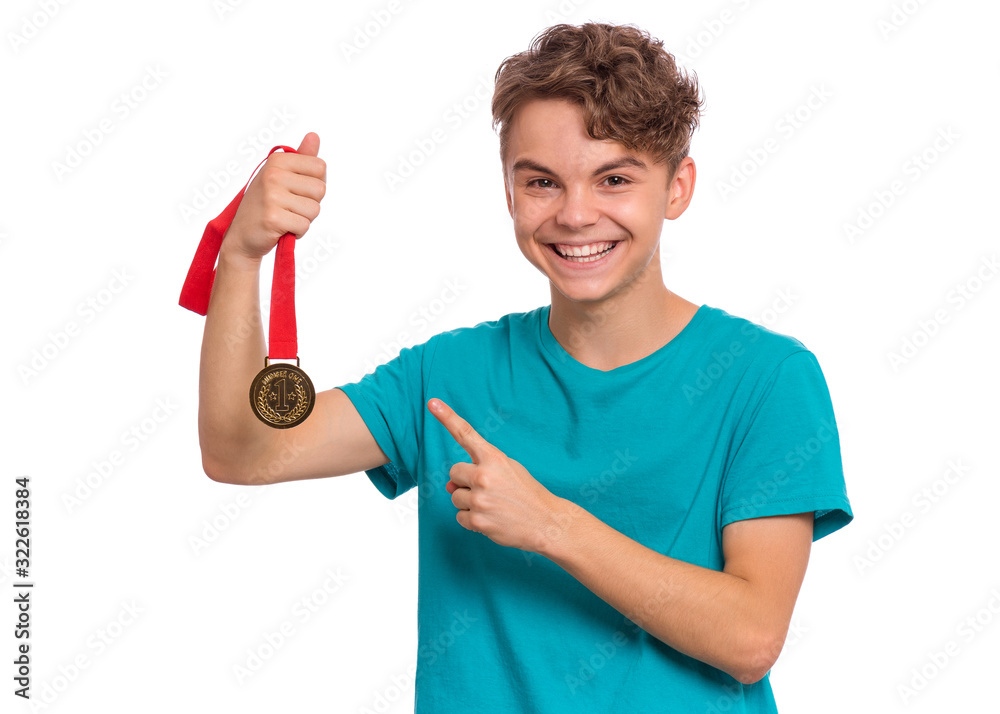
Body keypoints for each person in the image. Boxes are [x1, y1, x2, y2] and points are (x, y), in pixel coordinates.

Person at [196, 22, 853, 713]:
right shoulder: (448, 374)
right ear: (510, 193)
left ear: (678, 188)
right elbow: (244, 451)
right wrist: (241, 258)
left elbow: (751, 636)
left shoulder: (767, 378)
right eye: (542, 181)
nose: (574, 214)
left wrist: (549, 524)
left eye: (615, 179)